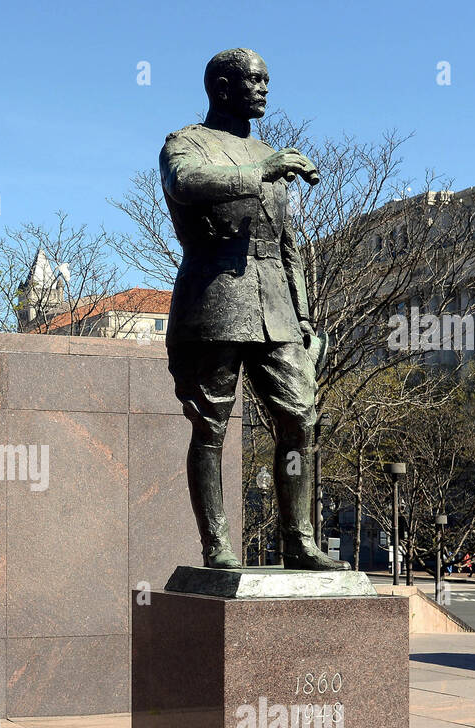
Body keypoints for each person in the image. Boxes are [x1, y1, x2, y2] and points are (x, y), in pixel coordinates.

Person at [159, 48, 344, 571]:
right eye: (254, 80)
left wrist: (306, 319)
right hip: (214, 299)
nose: (264, 89)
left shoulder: (268, 156)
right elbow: (185, 183)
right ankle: (216, 545)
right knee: (211, 425)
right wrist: (262, 169)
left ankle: (299, 541)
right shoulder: (186, 143)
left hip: (277, 311)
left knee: (302, 418)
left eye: (267, 81)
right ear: (221, 86)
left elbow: (289, 245)